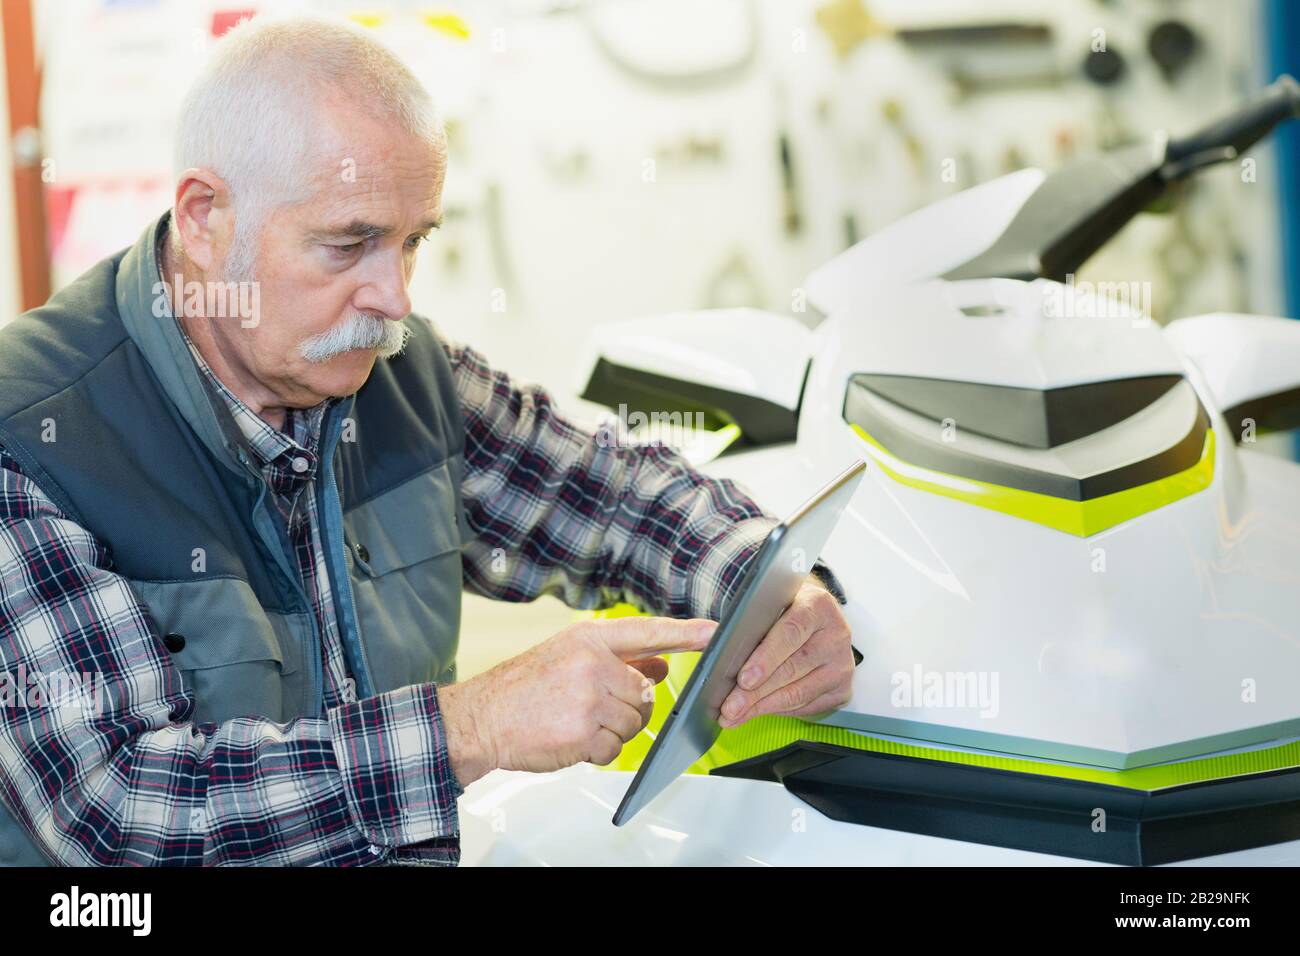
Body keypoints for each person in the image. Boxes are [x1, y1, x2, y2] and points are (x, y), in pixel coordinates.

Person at [0, 14, 855, 866]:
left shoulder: (395, 374)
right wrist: (472, 728)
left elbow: (610, 497)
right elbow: (116, 815)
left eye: (413, 243)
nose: (395, 297)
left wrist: (771, 584)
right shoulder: (35, 444)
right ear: (203, 217)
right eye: (350, 243)